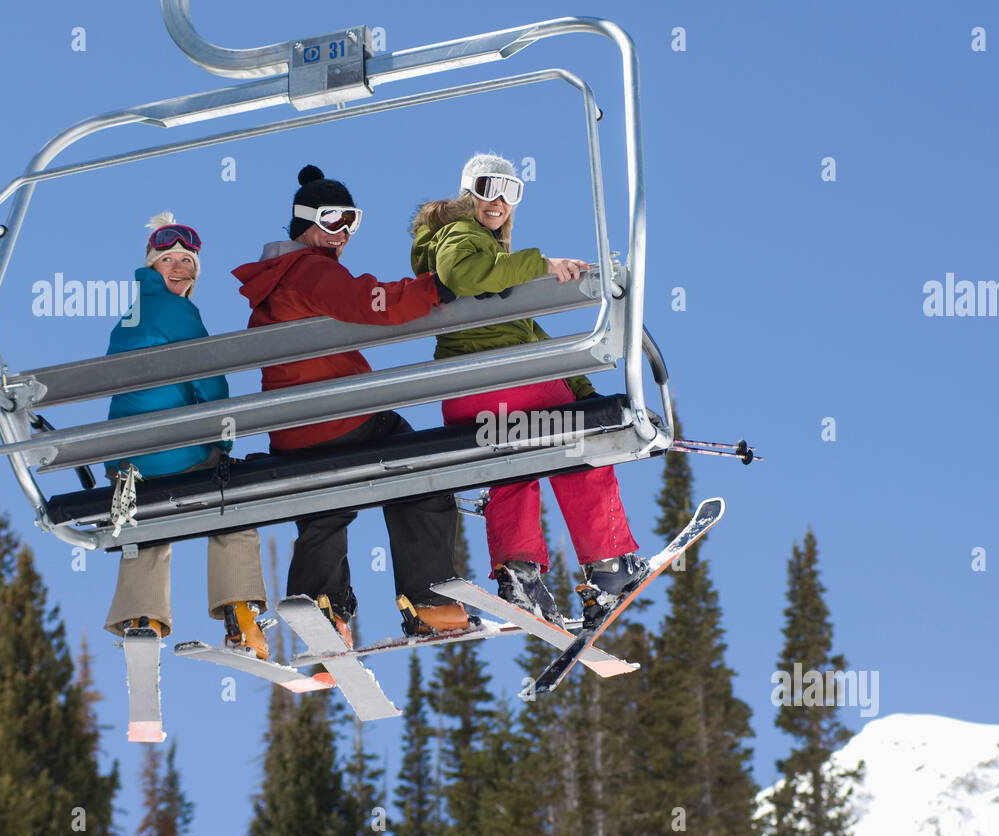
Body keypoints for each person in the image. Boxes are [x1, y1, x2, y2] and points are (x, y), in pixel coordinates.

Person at [409, 153, 649, 624]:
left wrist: (581, 392)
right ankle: (608, 566)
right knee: (586, 443)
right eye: (485, 188)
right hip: (501, 382)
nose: (497, 200)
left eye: (509, 191)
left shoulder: (493, 266)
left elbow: (537, 343)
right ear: (467, 193)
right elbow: (462, 272)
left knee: (514, 466)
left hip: (469, 397)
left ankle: (519, 574)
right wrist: (541, 264)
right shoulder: (461, 237)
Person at [232, 165, 468, 636]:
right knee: (419, 474)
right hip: (340, 422)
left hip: (293, 437)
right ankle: (429, 598)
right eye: (331, 221)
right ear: (305, 223)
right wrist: (435, 288)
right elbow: (369, 301)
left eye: (351, 222)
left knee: (327, 506)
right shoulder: (308, 270)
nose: (342, 234)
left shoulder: (274, 284)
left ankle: (324, 605)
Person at [104, 213, 270, 658]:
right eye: (170, 260)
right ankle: (240, 610)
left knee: (150, 521)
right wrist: (224, 441)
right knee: (232, 495)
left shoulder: (132, 313)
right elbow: (208, 379)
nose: (180, 269)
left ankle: (142, 616)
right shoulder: (176, 309)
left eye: (188, 263)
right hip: (174, 455)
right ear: (153, 264)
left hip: (130, 465)